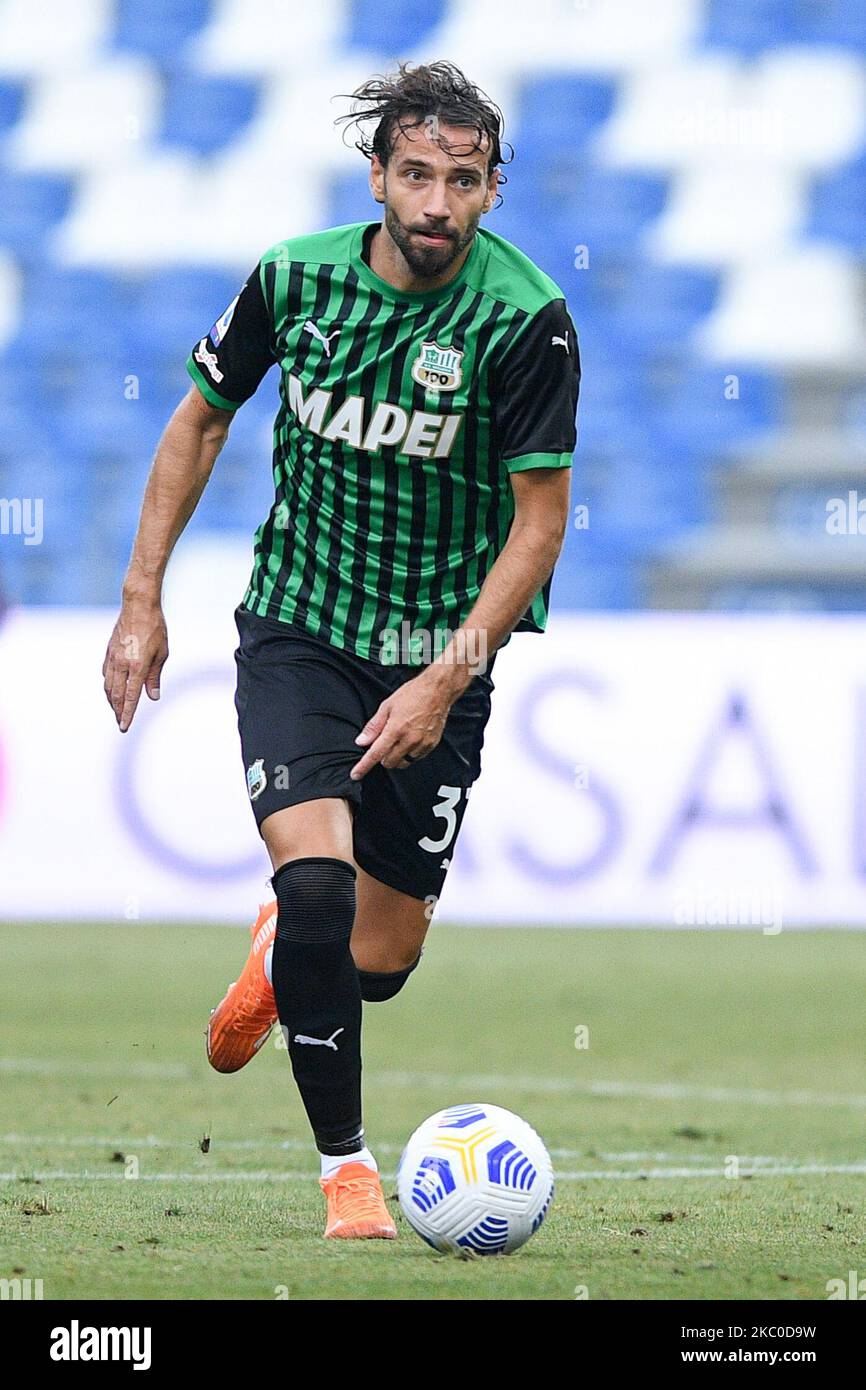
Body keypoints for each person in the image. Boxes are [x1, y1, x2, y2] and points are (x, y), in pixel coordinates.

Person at [103, 61, 580, 1241]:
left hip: (439, 652)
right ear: (376, 177)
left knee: (376, 955)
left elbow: (540, 521)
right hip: (298, 628)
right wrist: (140, 597)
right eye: (414, 175)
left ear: (491, 190)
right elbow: (200, 419)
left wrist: (446, 672)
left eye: (460, 181)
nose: (435, 202)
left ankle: (283, 957)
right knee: (312, 879)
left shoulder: (525, 322)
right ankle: (346, 1173)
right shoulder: (293, 279)